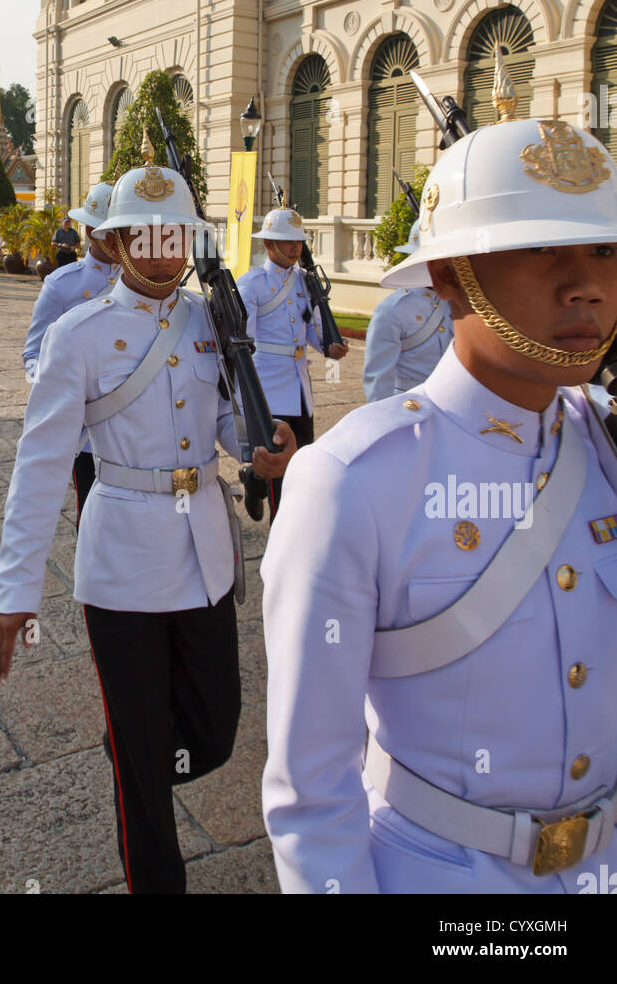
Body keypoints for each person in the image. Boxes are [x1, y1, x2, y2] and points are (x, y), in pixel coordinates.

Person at [262, 115, 617, 894]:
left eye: (604, 250)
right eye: (538, 247)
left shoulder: (607, 448)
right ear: (452, 272)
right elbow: (311, 791)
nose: (586, 281)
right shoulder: (354, 481)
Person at [0, 136, 297, 894]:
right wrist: (13, 595)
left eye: (175, 238)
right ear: (118, 240)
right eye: (144, 239)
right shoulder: (78, 336)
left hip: (206, 552)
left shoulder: (205, 320)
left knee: (216, 729)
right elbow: (41, 466)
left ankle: (136, 747)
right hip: (122, 560)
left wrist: (256, 445)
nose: (161, 255)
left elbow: (221, 419)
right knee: (145, 772)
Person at [237, 205, 348, 509]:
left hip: (300, 388)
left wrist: (328, 346)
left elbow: (311, 327)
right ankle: (269, 506)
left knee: (301, 464)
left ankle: (254, 482)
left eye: (298, 240)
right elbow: (242, 345)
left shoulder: (304, 281)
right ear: (268, 244)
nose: (295, 246)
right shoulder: (252, 284)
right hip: (269, 387)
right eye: (287, 240)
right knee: (277, 474)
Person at [22, 181, 120, 518]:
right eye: (113, 231)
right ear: (92, 231)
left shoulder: (142, 283)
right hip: (88, 429)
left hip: (138, 422)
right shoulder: (63, 285)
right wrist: (60, 393)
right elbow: (33, 354)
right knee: (91, 515)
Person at [363, 218, 454, 401]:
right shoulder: (392, 310)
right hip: (408, 403)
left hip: (452, 400)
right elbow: (378, 379)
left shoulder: (459, 301)